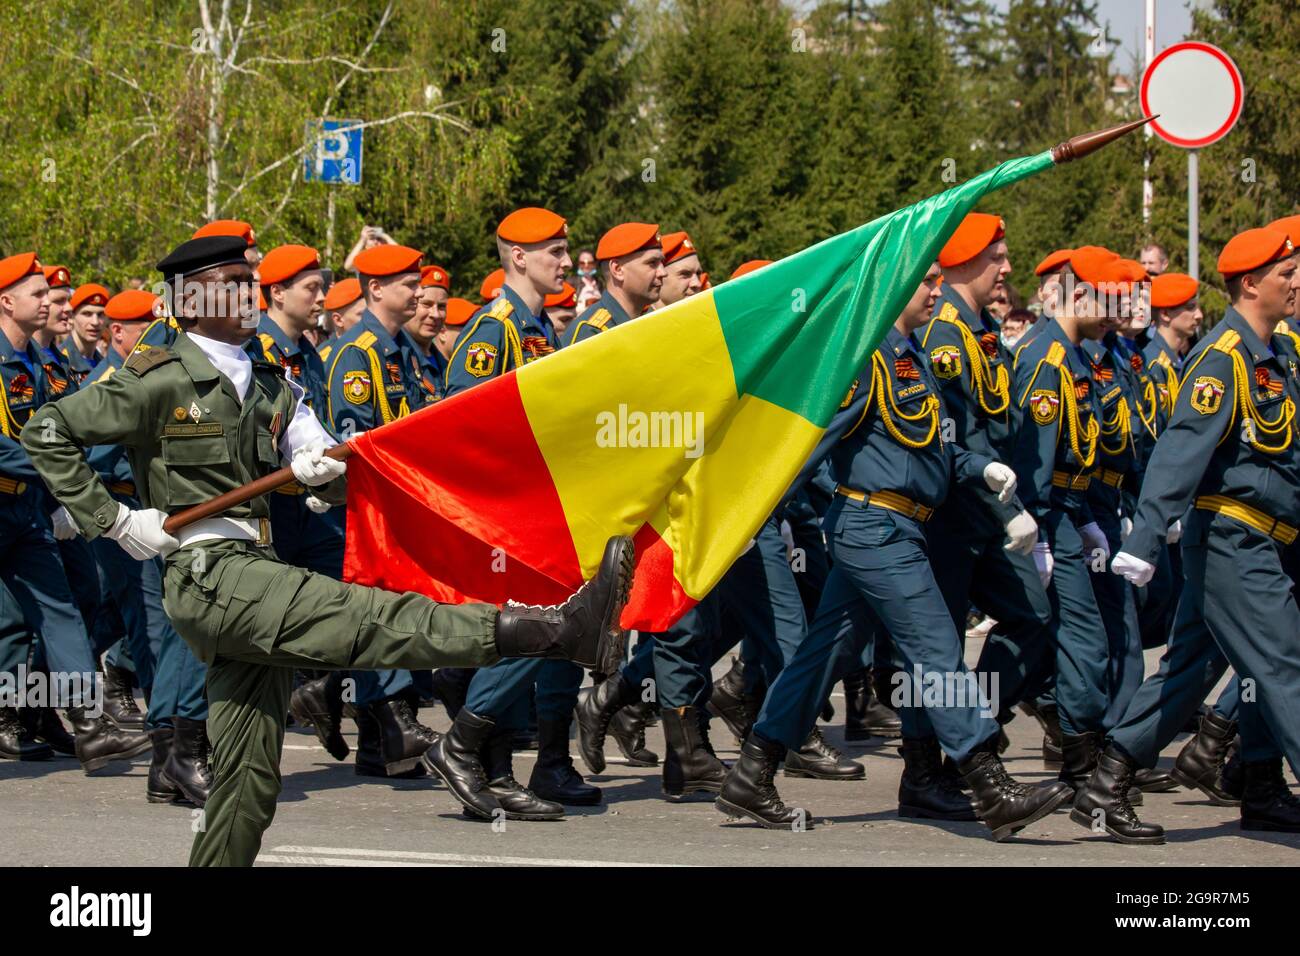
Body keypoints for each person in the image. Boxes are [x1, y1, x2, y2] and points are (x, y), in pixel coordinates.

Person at [22, 234, 635, 866]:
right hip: (207, 573)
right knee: (368, 619)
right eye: (227, 281)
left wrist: (322, 471)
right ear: (189, 299)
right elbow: (48, 429)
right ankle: (554, 630)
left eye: (247, 280)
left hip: (254, 570)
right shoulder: (159, 379)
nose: (244, 293)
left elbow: (334, 474)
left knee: (248, 787)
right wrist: (116, 521)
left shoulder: (267, 386)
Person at [712, 262, 1070, 837]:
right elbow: (806, 444)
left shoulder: (913, 360)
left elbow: (939, 452)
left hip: (895, 529)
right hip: (874, 526)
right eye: (926, 282)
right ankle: (988, 783)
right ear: (894, 288)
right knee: (937, 649)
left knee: (820, 656)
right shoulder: (865, 360)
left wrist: (985, 468)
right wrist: (751, 513)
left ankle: (752, 775)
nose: (935, 292)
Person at [1097, 227, 1300, 841]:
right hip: (1233, 544)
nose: (1296, 282)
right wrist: (1144, 541)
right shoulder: (1223, 359)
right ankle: (1114, 783)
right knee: (1285, 666)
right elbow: (1178, 453)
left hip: (1270, 542)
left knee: (1193, 668)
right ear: (1250, 283)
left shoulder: (1278, 356)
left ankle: (1112, 785)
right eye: (1287, 273)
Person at [438, 207, 594, 818]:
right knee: (535, 630)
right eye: (553, 251)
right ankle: (462, 743)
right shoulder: (495, 327)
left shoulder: (536, 329)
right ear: (519, 258)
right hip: (501, 513)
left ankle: (495, 771)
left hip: (533, 509)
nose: (564, 260)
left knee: (520, 637)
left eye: (564, 249)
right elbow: (459, 417)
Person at [0, 252, 150, 772]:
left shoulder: (43, 364)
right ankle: (14, 713)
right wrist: (63, 472)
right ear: (7, 302)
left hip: (27, 511)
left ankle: (89, 725)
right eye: (39, 294)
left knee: (62, 609)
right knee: (14, 623)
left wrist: (64, 490)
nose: (49, 302)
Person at [919, 214, 1051, 728]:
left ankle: (977, 728)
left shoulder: (983, 333)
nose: (1006, 268)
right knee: (940, 643)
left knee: (1032, 617)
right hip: (954, 513)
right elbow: (960, 437)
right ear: (962, 261)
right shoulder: (945, 336)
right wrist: (1010, 509)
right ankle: (931, 764)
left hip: (988, 512)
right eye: (996, 257)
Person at [325, 244, 442, 776]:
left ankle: (378, 744)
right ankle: (384, 716)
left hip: (400, 501)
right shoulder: (360, 352)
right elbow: (353, 439)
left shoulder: (404, 351)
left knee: (392, 613)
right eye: (406, 284)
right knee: (377, 614)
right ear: (375, 289)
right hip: (371, 504)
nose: (419, 293)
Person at [564, 222, 665, 346]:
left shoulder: (651, 318)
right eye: (652, 263)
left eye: (662, 262)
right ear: (617, 270)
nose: (663, 272)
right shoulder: (590, 334)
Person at [61, 283, 110, 382]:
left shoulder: (104, 364)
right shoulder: (61, 361)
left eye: (100, 314)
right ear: (71, 317)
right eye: (87, 314)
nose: (95, 322)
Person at [573, 248, 601, 312]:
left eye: (590, 263)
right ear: (578, 264)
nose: (586, 266)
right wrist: (585, 303)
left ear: (595, 264)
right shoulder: (572, 282)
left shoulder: (600, 282)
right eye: (582, 263)